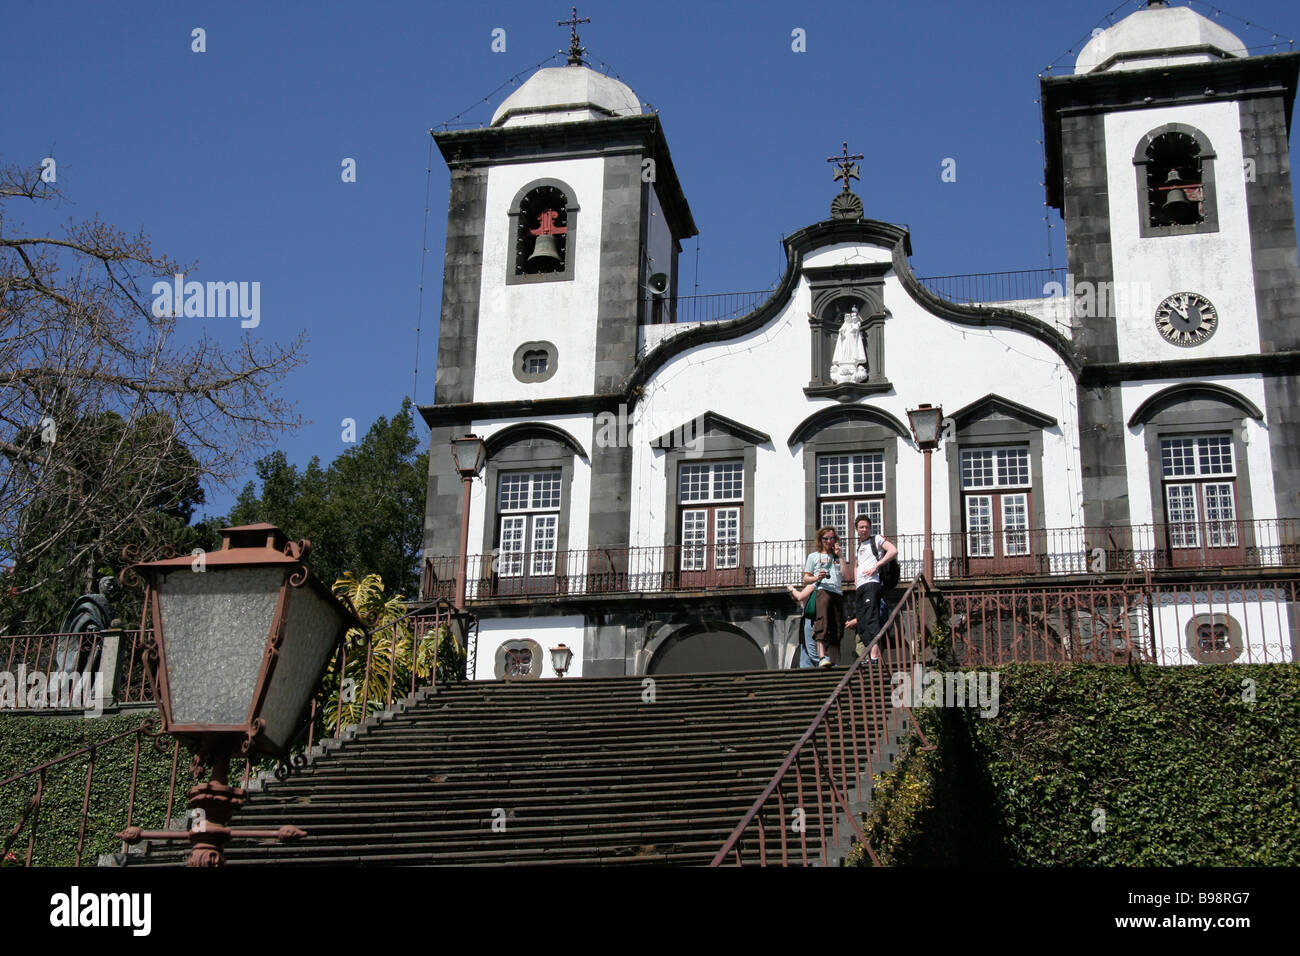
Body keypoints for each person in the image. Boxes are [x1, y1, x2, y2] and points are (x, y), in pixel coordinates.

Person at [788, 526, 844, 667]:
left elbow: (846, 574)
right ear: (820, 540)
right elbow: (805, 579)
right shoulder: (813, 557)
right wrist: (816, 578)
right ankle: (822, 658)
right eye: (826, 538)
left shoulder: (838, 557)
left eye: (832, 538)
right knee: (822, 624)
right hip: (822, 591)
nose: (829, 541)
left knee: (836, 628)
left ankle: (833, 661)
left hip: (837, 593)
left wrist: (841, 556)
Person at [848, 514, 897, 663]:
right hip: (861, 586)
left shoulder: (876, 539)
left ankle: (874, 656)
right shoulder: (860, 547)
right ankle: (869, 655)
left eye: (867, 527)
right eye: (861, 527)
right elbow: (857, 565)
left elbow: (893, 551)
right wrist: (856, 580)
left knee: (872, 618)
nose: (864, 530)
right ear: (856, 529)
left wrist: (877, 566)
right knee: (862, 620)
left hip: (872, 584)